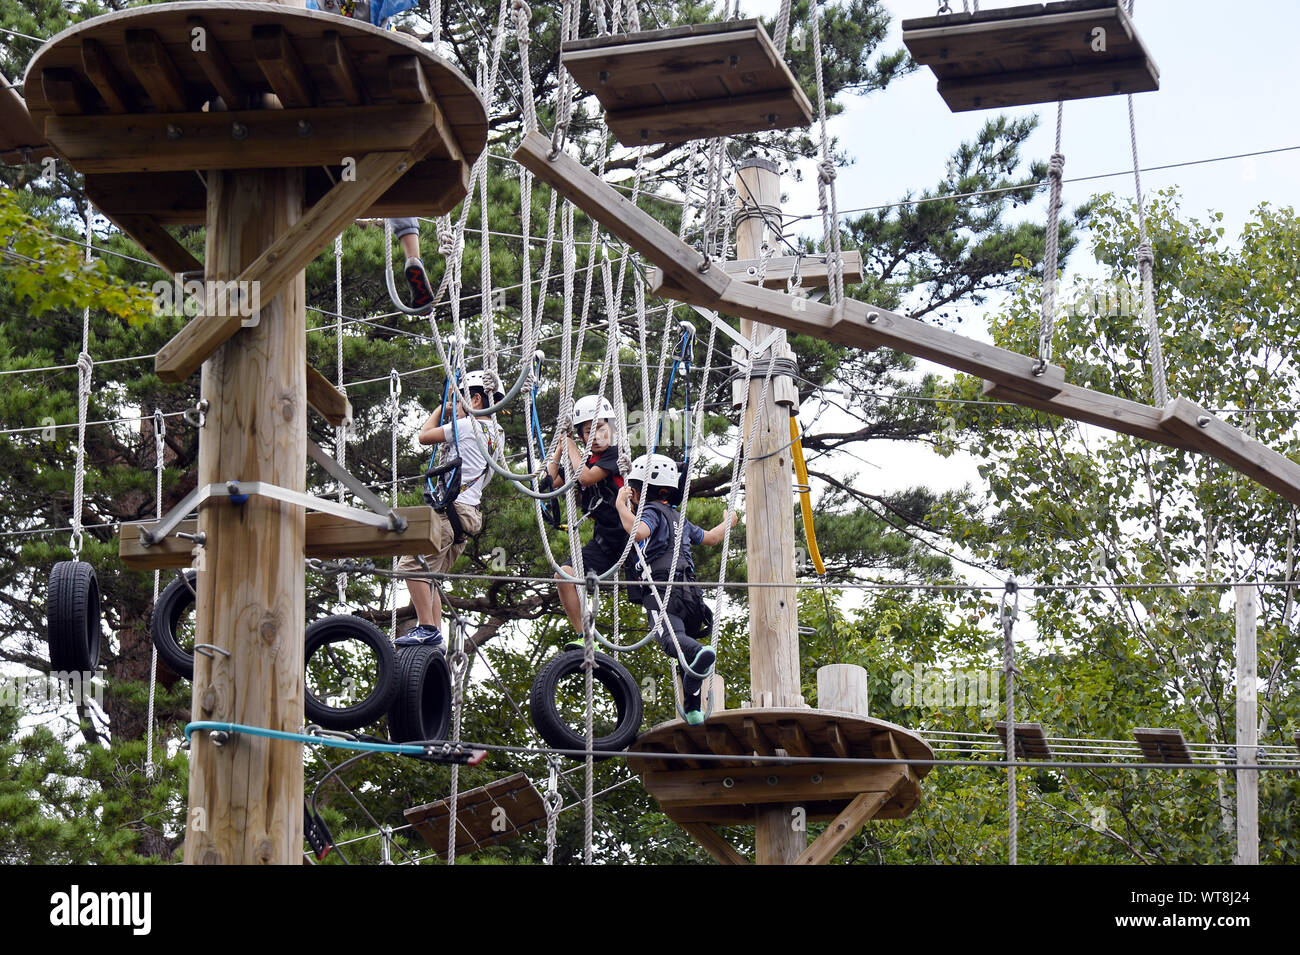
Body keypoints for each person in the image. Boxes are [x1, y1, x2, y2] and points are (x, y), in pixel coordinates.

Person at [307, 0, 434, 308]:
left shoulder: (318, 3)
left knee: (347, 169)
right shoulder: (370, 4)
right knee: (394, 176)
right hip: (375, 99)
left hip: (332, 104)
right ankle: (412, 256)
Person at [615, 453, 738, 724]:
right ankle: (693, 706)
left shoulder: (651, 511)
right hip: (691, 595)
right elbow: (712, 538)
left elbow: (638, 532)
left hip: (663, 590)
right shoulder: (679, 518)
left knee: (673, 642)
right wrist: (728, 523)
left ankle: (697, 652)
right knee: (688, 661)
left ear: (637, 491)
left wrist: (620, 506)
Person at [396, 370, 505, 648]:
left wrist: (438, 409)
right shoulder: (497, 433)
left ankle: (428, 628)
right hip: (468, 515)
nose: (455, 410)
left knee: (410, 567)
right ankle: (434, 638)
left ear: (476, 401)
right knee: (430, 577)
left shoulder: (467, 426)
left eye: (461, 402)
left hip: (451, 511)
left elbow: (424, 437)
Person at [545, 395, 626, 643]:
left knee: (653, 592)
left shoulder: (616, 455)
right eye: (591, 431)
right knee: (564, 575)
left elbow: (587, 478)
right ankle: (584, 636)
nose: (598, 436)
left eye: (602, 429)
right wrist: (561, 444)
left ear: (612, 430)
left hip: (633, 537)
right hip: (605, 542)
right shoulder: (582, 460)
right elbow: (549, 484)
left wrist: (571, 447)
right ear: (583, 438)